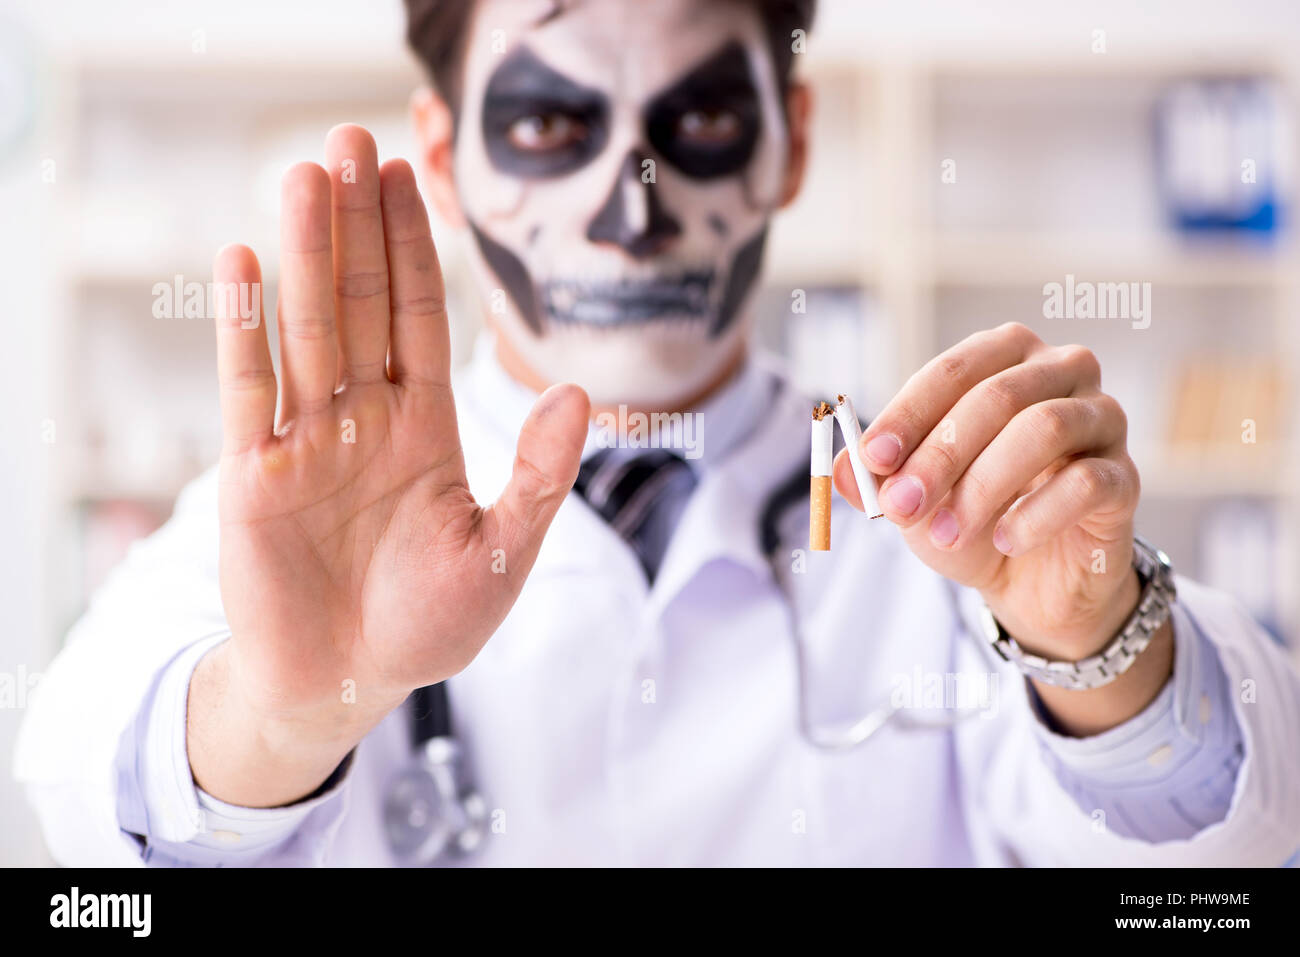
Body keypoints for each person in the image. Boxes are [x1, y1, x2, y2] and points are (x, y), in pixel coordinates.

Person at [15, 0, 1300, 866]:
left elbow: (1215, 865)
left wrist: (1095, 648)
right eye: (547, 126)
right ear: (446, 159)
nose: (631, 216)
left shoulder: (949, 508)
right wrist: (286, 720)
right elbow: (87, 830)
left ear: (790, 145)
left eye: (695, 125)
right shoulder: (283, 519)